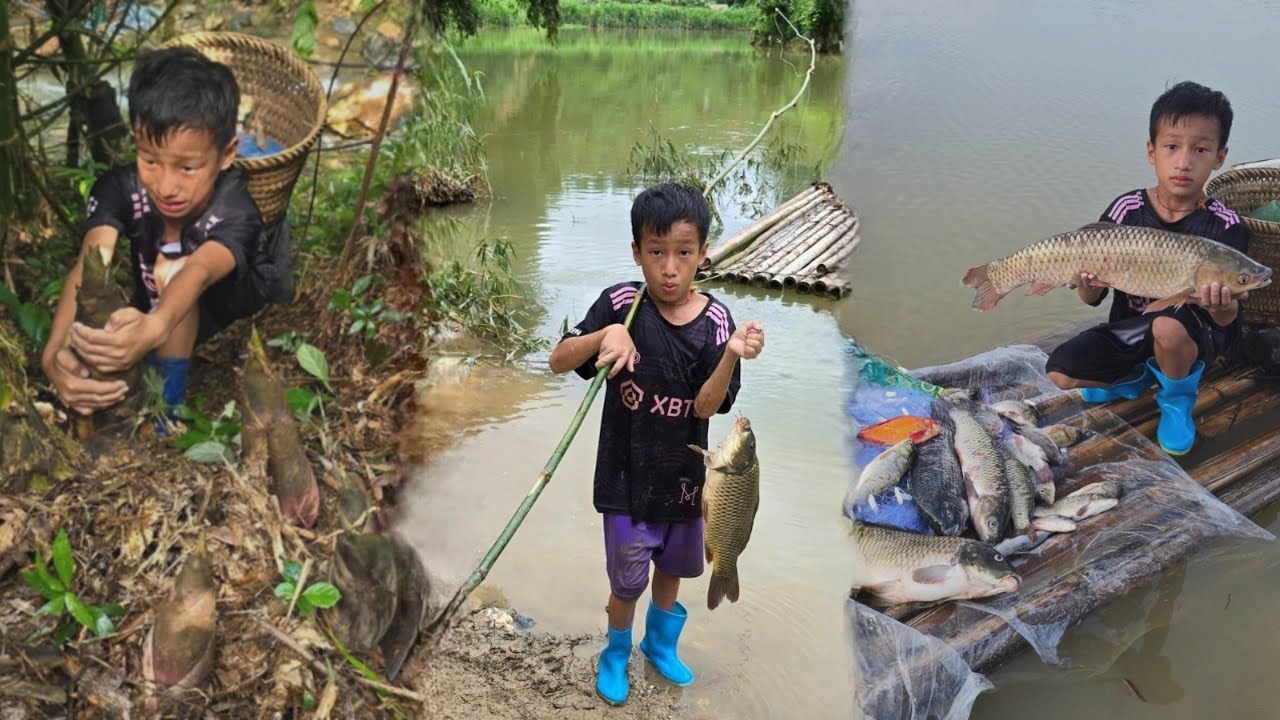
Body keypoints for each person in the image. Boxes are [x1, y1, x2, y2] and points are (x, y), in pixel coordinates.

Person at [548, 183, 765, 706]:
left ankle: (660, 646)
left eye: (684, 254)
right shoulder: (621, 305)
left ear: (703, 255)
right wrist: (604, 337)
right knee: (626, 583)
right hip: (624, 479)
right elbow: (558, 360)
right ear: (637, 253)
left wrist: (731, 354)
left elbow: (705, 408)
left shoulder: (715, 322)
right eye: (656, 252)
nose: (670, 268)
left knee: (672, 572)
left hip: (687, 484)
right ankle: (616, 653)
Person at [41, 47, 284, 422]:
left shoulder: (236, 209)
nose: (166, 185)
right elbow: (92, 261)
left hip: (222, 308)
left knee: (174, 271)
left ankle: (166, 410)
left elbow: (199, 270)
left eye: (187, 167)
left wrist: (154, 326)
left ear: (226, 154)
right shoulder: (121, 188)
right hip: (158, 305)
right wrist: (53, 355)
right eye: (150, 160)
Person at [1045, 80, 1250, 455]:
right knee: (1060, 372)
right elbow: (1092, 297)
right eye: (1172, 147)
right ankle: (1136, 375)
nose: (1184, 162)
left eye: (1200, 149)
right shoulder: (1126, 210)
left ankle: (1177, 398)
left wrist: (1222, 303)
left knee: (1168, 327)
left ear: (1220, 157)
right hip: (1130, 327)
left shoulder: (1226, 225)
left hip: (1192, 337)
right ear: (1151, 151)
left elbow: (1227, 320)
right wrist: (1086, 280)